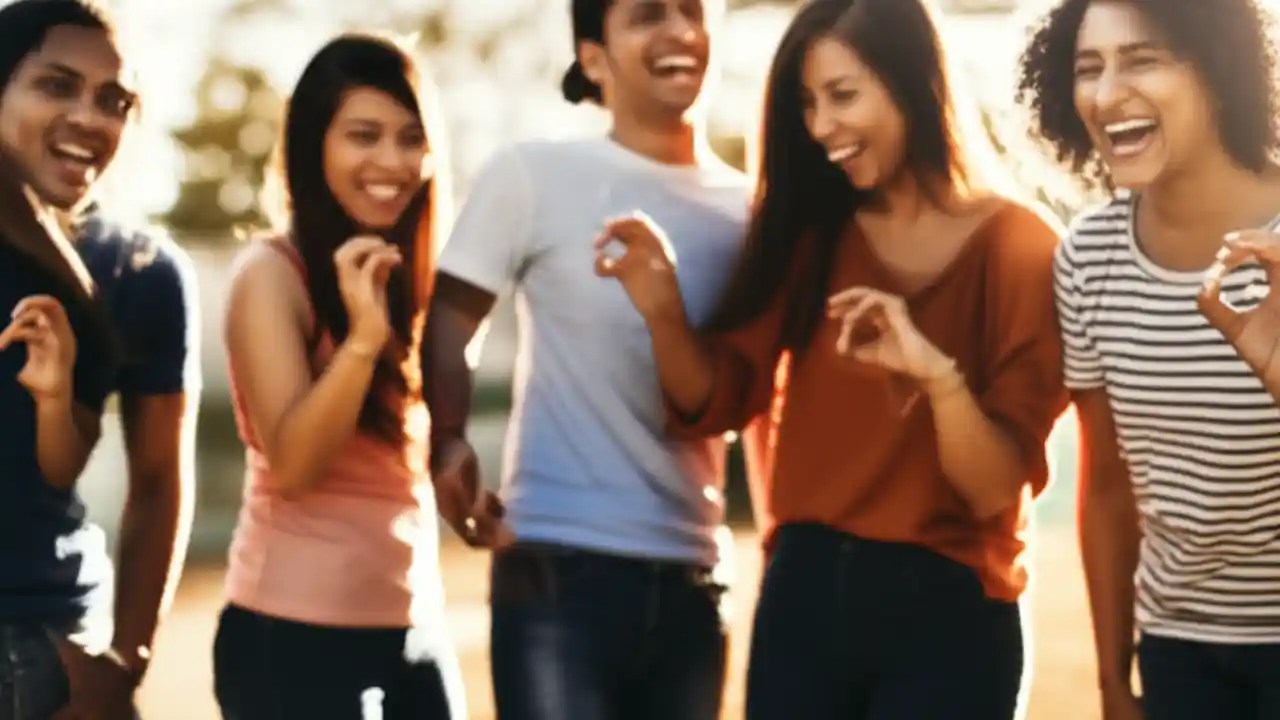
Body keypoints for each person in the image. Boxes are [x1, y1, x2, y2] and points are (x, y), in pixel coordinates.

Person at [598, 0, 1068, 717]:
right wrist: (663, 310)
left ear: (914, 81)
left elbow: (993, 489)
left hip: (951, 613)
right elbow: (717, 400)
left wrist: (937, 376)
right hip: (806, 602)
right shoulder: (810, 234)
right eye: (807, 104)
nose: (820, 128)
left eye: (843, 95)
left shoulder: (1020, 247)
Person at [421, 0, 750, 717]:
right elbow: (451, 313)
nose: (677, 31)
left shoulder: (752, 211)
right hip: (554, 574)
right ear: (594, 57)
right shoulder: (533, 174)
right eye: (647, 15)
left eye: (693, 10)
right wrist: (447, 437)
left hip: (695, 583)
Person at [1018, 0, 1280, 718]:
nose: (1105, 95)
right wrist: (1111, 677)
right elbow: (1107, 488)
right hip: (1178, 651)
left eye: (1142, 59)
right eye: (1087, 68)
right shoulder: (1088, 260)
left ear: (1219, 72)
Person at [212, 34, 465, 720]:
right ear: (312, 145)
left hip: (414, 627)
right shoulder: (271, 274)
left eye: (410, 138)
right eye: (364, 135)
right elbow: (294, 464)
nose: (392, 161)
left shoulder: (412, 275)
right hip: (290, 638)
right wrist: (361, 342)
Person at [0, 1, 200, 717]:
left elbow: (158, 482)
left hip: (48, 656)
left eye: (113, 100)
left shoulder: (139, 273)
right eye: (56, 86)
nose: (91, 117)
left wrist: (124, 664)